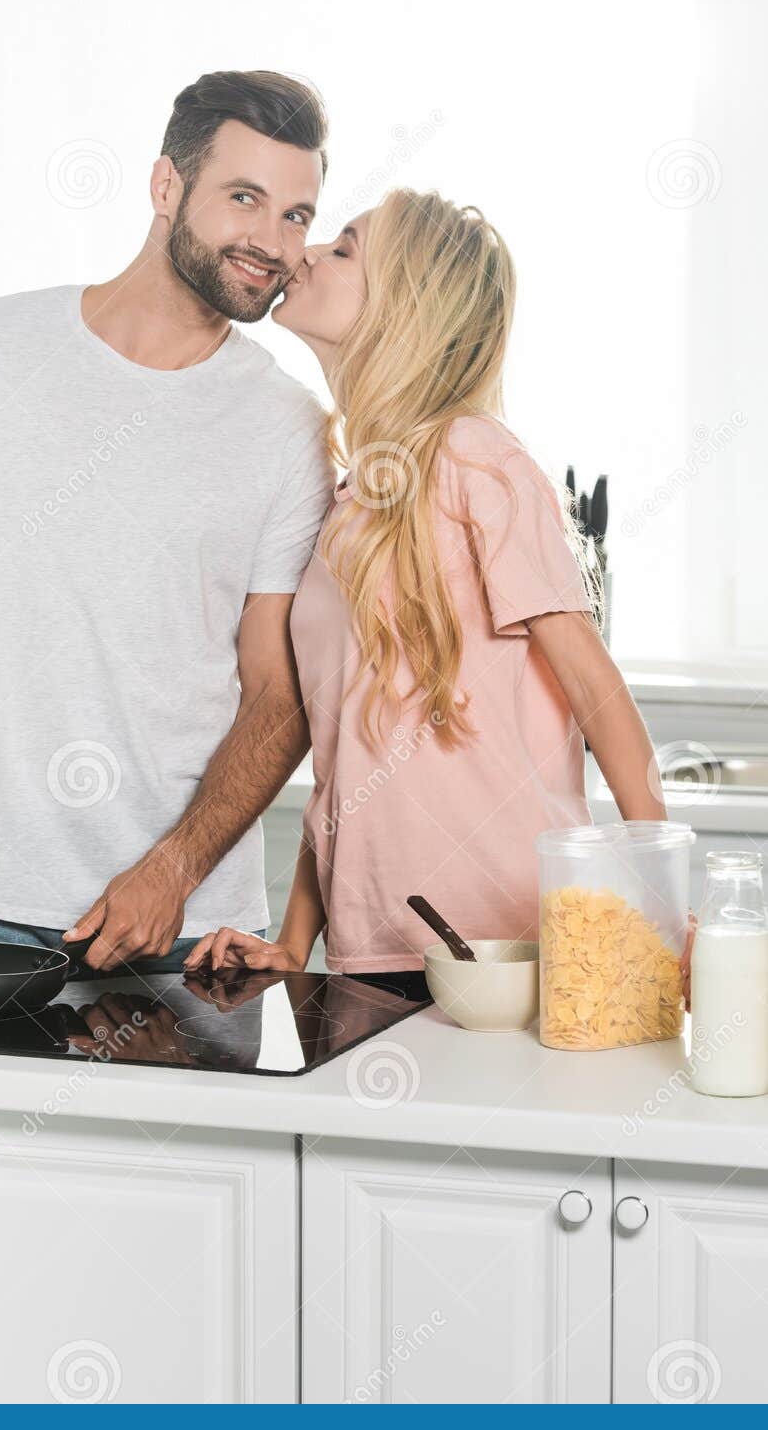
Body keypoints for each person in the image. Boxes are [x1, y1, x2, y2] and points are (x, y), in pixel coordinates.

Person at [0, 70, 334, 972]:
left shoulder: (291, 430)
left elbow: (279, 696)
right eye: (246, 198)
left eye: (297, 215)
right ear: (167, 187)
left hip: (183, 923)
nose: (272, 241)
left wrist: (176, 866)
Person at [187, 189, 665, 995]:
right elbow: (345, 751)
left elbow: (595, 686)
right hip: (369, 948)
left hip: (509, 950)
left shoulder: (477, 459)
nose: (302, 253)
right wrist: (296, 939)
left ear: (406, 306)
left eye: (342, 249)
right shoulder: (347, 506)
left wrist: (659, 885)